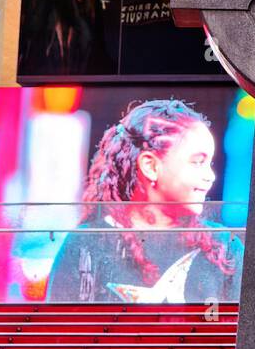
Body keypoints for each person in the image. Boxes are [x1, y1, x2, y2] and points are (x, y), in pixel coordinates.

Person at [45, 98, 242, 303]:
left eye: (208, 162)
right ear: (150, 166)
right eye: (197, 162)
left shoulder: (226, 247)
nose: (210, 176)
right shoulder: (86, 243)